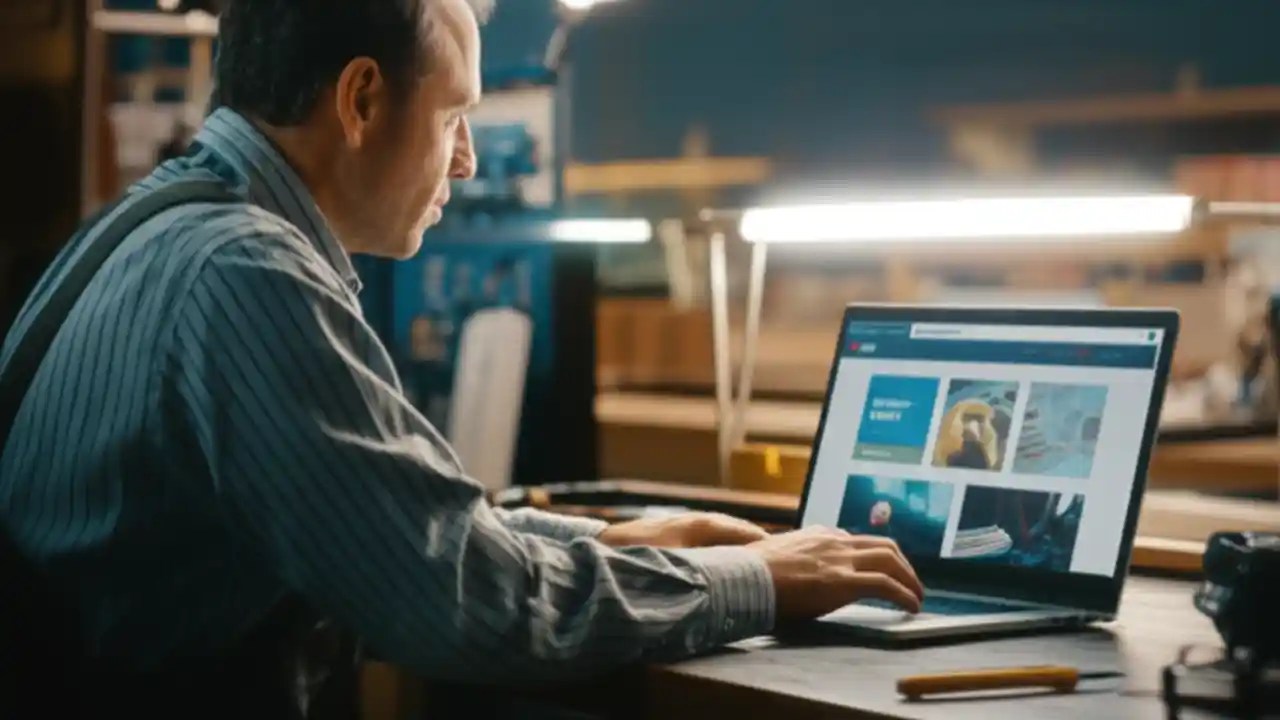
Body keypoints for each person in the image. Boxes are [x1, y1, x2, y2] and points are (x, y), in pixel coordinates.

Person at [0, 0, 924, 716]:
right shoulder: (248, 274)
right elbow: (469, 604)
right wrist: (756, 583)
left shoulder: (143, 228)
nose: (470, 161)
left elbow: (392, 531)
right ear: (361, 100)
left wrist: (607, 540)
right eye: (454, 117)